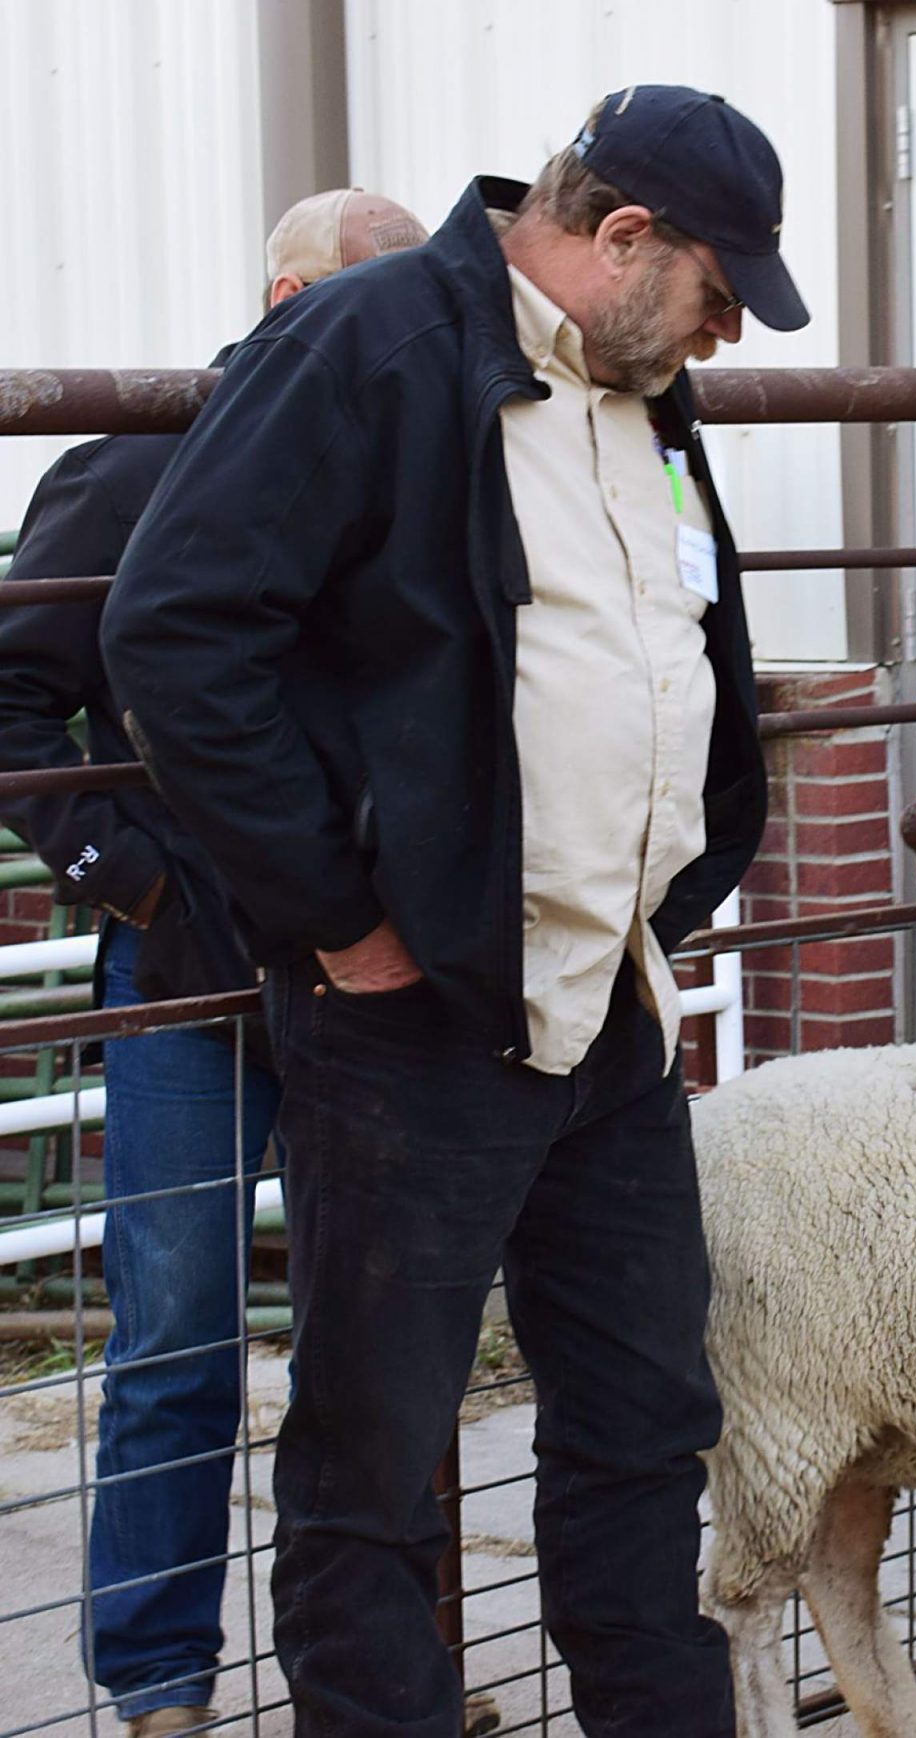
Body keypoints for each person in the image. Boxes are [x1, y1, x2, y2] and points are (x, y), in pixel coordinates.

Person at [101, 86, 802, 1738]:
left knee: (646, 1418)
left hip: (611, 993)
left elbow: (672, 628)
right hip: (416, 1008)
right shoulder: (374, 343)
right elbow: (175, 629)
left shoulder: (642, 385)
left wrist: (678, 880)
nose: (721, 333)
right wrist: (337, 916)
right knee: (372, 1448)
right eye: (717, 293)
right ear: (623, 236)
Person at [0, 186, 426, 1738]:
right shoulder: (134, 464)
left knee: (378, 1334)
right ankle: (160, 1683)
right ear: (291, 296)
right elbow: (10, 695)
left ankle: (372, 1680)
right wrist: (126, 880)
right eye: (377, 301)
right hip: (188, 974)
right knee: (179, 1334)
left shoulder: (416, 467)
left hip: (376, 975)